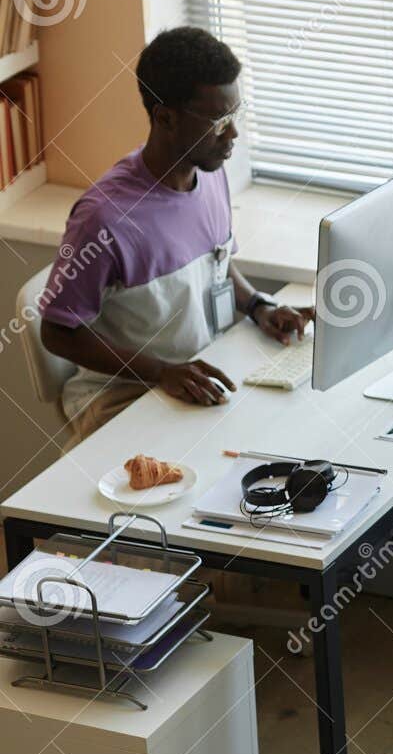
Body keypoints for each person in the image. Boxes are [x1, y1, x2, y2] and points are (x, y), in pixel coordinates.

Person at [39, 27, 312, 448]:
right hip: (125, 399)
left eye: (235, 115)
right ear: (165, 118)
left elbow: (217, 264)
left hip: (199, 376)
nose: (233, 134)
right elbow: (57, 332)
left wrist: (259, 307)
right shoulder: (104, 219)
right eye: (219, 122)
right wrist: (161, 371)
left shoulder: (210, 173)